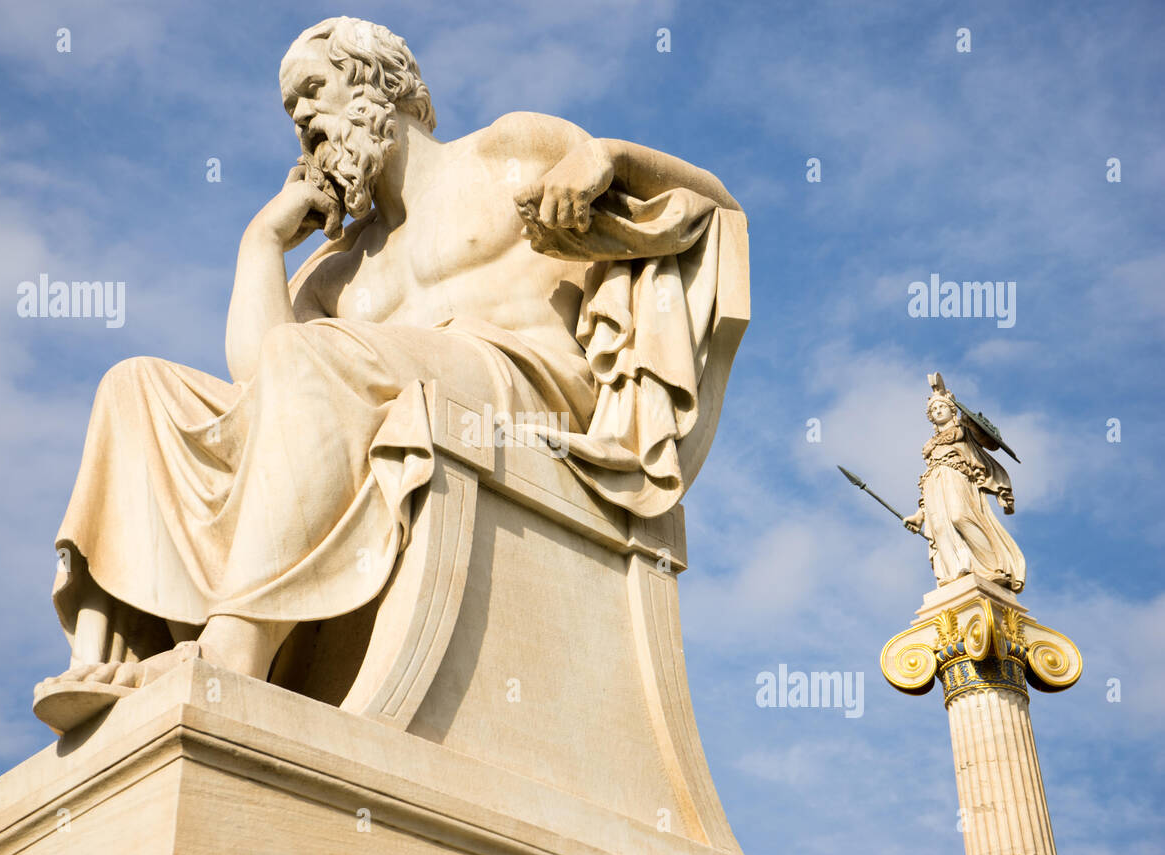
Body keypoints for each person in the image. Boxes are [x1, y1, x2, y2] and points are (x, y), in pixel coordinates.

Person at [36, 17, 745, 729]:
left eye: (314, 90)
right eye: (291, 111)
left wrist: (608, 158)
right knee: (136, 386)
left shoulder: (504, 149)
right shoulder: (337, 271)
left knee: (318, 352)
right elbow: (260, 382)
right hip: (398, 388)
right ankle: (112, 654)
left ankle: (235, 646)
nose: (303, 119)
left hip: (526, 396)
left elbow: (715, 206)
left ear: (380, 83)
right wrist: (264, 241)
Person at [903, 376, 1026, 592]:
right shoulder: (930, 445)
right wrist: (919, 516)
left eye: (942, 407)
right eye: (934, 410)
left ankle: (993, 568)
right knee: (940, 526)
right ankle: (955, 574)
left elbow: (990, 442)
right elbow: (926, 485)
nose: (938, 411)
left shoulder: (964, 430)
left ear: (952, 410)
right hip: (934, 481)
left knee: (959, 517)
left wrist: (971, 422)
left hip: (958, 475)